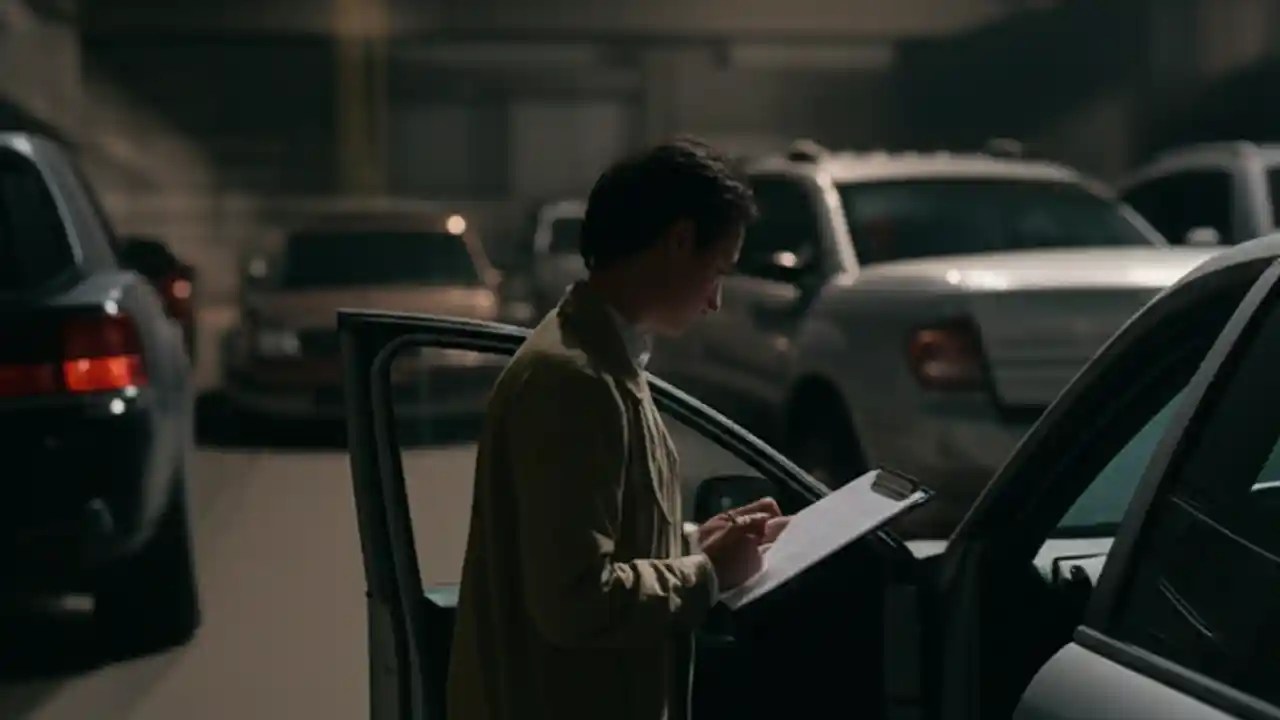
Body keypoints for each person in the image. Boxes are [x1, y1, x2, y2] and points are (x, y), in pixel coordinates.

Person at [446, 137, 788, 720]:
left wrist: (692, 545)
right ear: (678, 241)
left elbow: (601, 536)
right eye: (718, 270)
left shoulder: (603, 361)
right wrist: (705, 576)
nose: (715, 301)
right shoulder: (572, 380)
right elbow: (575, 600)